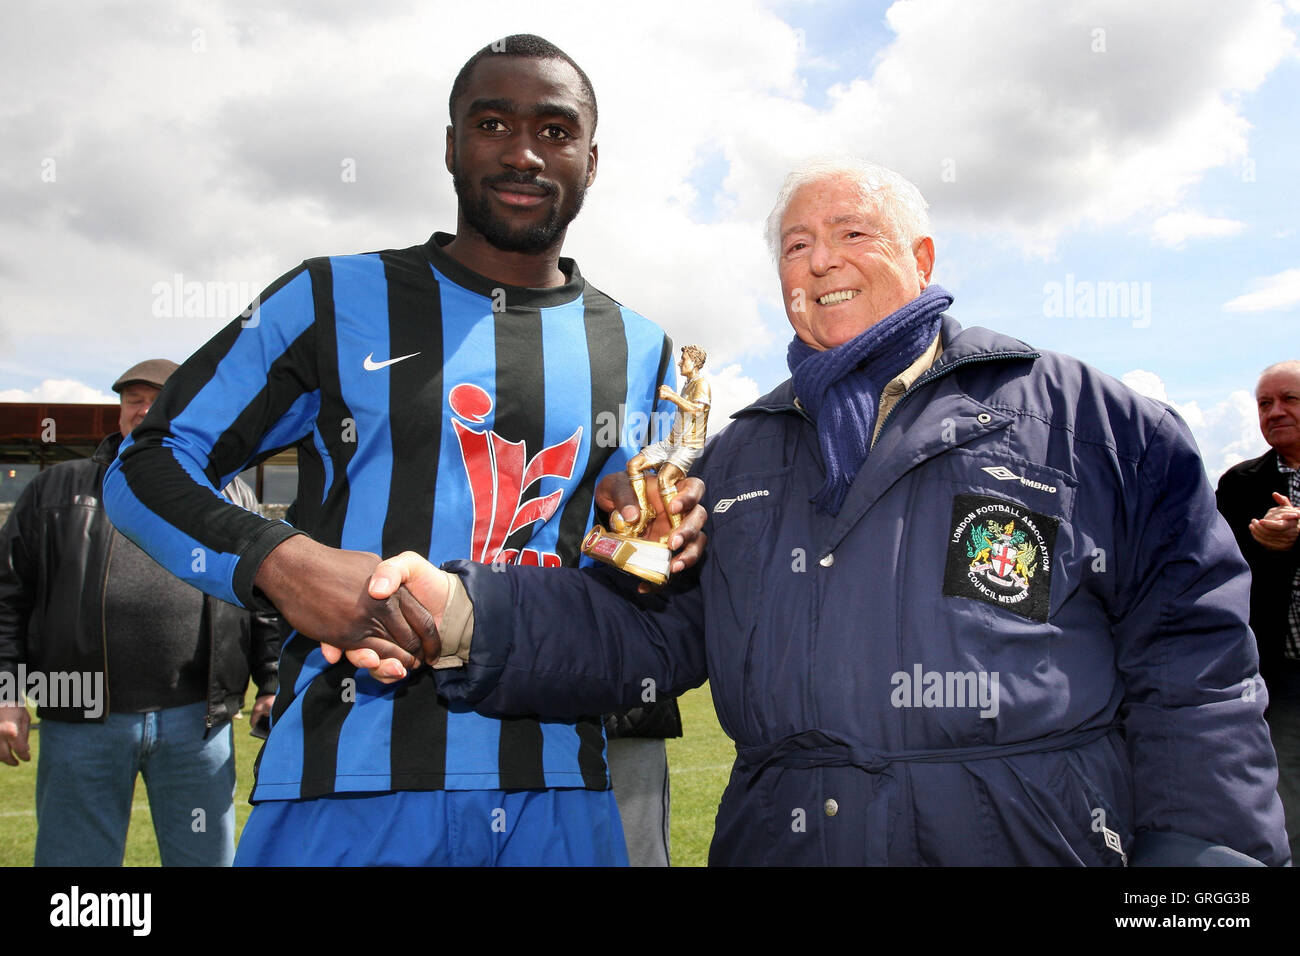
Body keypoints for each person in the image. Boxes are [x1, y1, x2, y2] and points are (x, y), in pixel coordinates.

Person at [356, 157, 1290, 866]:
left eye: (852, 234)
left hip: (1029, 835)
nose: (820, 261)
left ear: (922, 259)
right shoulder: (739, 455)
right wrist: (458, 612)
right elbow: (641, 632)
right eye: (795, 247)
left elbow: (1197, 673)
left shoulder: (1092, 422)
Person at [104, 36, 703, 866]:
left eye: (555, 131)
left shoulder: (644, 352)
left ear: (592, 161)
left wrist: (663, 542)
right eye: (493, 123)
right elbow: (149, 460)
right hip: (342, 779)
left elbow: (634, 570)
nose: (525, 153)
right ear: (451, 145)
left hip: (559, 787)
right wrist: (279, 561)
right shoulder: (331, 296)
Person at [0, 358, 279, 866]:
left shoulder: (231, 493)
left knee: (204, 860)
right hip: (80, 717)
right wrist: (5, 694)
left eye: (157, 399)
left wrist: (273, 683)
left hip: (199, 722)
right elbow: (7, 601)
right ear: (121, 411)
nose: (143, 409)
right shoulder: (56, 490)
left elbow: (263, 603)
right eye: (133, 399)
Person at [1216, 360, 1300, 858]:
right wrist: (1269, 541)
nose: (1275, 412)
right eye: (1265, 404)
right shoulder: (1240, 485)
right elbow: (1222, 572)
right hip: (1280, 671)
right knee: (1285, 783)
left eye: (1289, 399)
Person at [613, 345, 711, 538]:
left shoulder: (701, 384)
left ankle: (676, 531)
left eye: (684, 359)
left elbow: (699, 411)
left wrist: (672, 396)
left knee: (665, 479)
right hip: (671, 442)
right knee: (634, 464)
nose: (680, 362)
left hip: (689, 444)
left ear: (695, 361)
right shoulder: (688, 384)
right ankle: (645, 513)